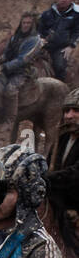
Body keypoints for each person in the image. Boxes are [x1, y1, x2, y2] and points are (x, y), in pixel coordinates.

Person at [0, 12, 44, 137]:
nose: (25, 25)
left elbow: (23, 60)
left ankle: (10, 120)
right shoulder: (15, 37)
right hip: (8, 68)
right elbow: (7, 53)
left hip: (23, 71)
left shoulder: (35, 40)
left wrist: (3, 67)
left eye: (28, 23)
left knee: (10, 90)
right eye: (23, 22)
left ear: (33, 25)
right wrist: (0, 60)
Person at [47, 88, 79, 230]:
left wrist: (46, 178)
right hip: (59, 205)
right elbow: (49, 165)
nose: (69, 116)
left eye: (76, 110)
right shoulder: (63, 137)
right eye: (66, 111)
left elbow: (75, 174)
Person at [38, 0, 79, 81]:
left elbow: (77, 32)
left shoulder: (76, 15)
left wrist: (71, 46)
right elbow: (39, 28)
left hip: (61, 48)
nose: (64, 0)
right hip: (43, 45)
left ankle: (61, 85)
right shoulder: (47, 14)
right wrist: (40, 39)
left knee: (59, 66)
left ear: (72, 0)